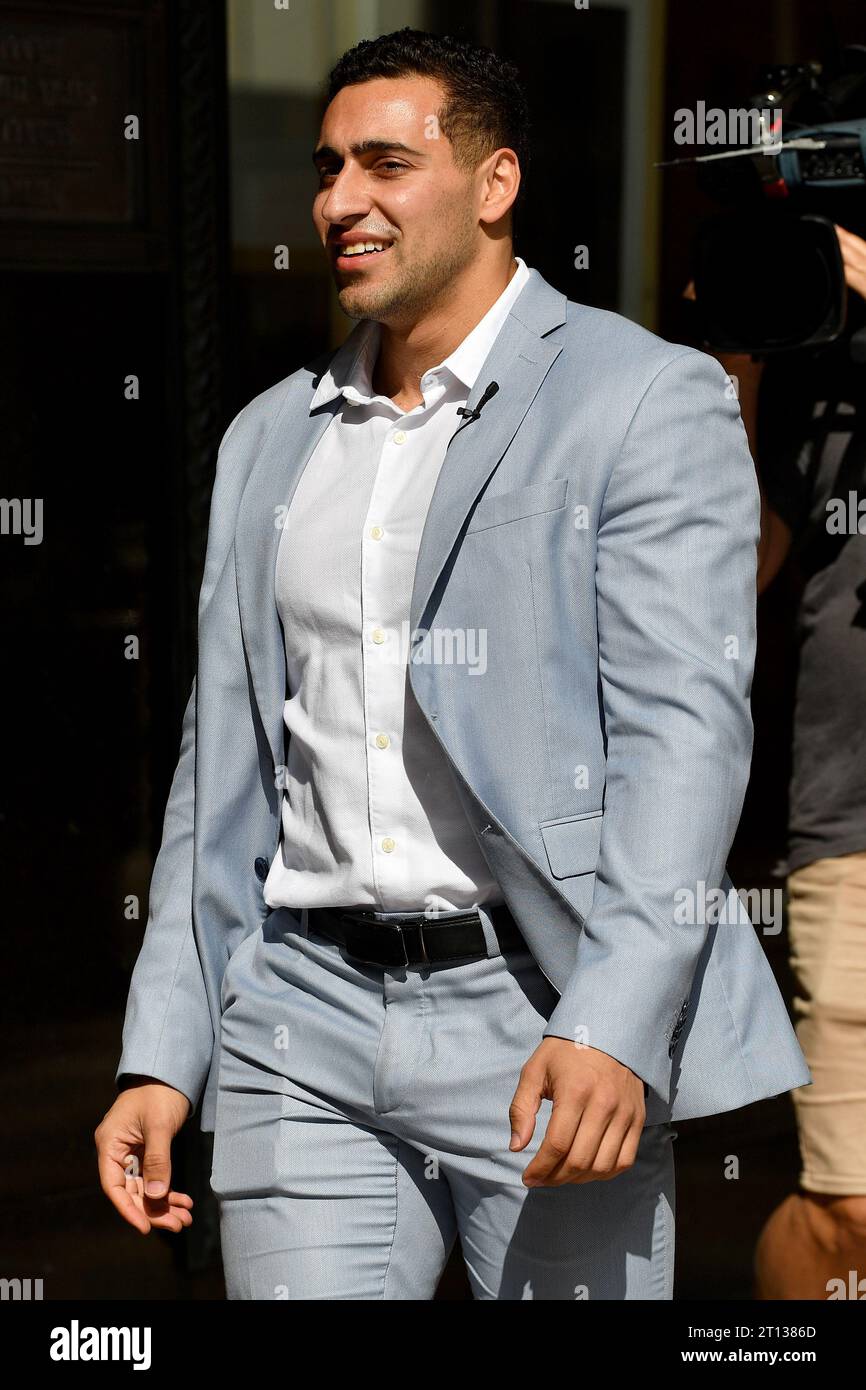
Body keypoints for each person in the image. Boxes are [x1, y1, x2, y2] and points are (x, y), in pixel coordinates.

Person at [96, 27, 809, 1301]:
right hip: (296, 1022)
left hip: (540, 1016)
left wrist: (613, 1020)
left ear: (494, 183)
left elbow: (680, 746)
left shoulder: (640, 397)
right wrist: (164, 1049)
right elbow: (224, 773)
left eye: (384, 162)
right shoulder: (270, 435)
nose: (339, 201)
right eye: (326, 169)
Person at [751, 223, 866, 1299]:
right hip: (851, 824)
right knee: (846, 1205)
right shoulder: (820, 363)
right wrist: (733, 370)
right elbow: (733, 574)